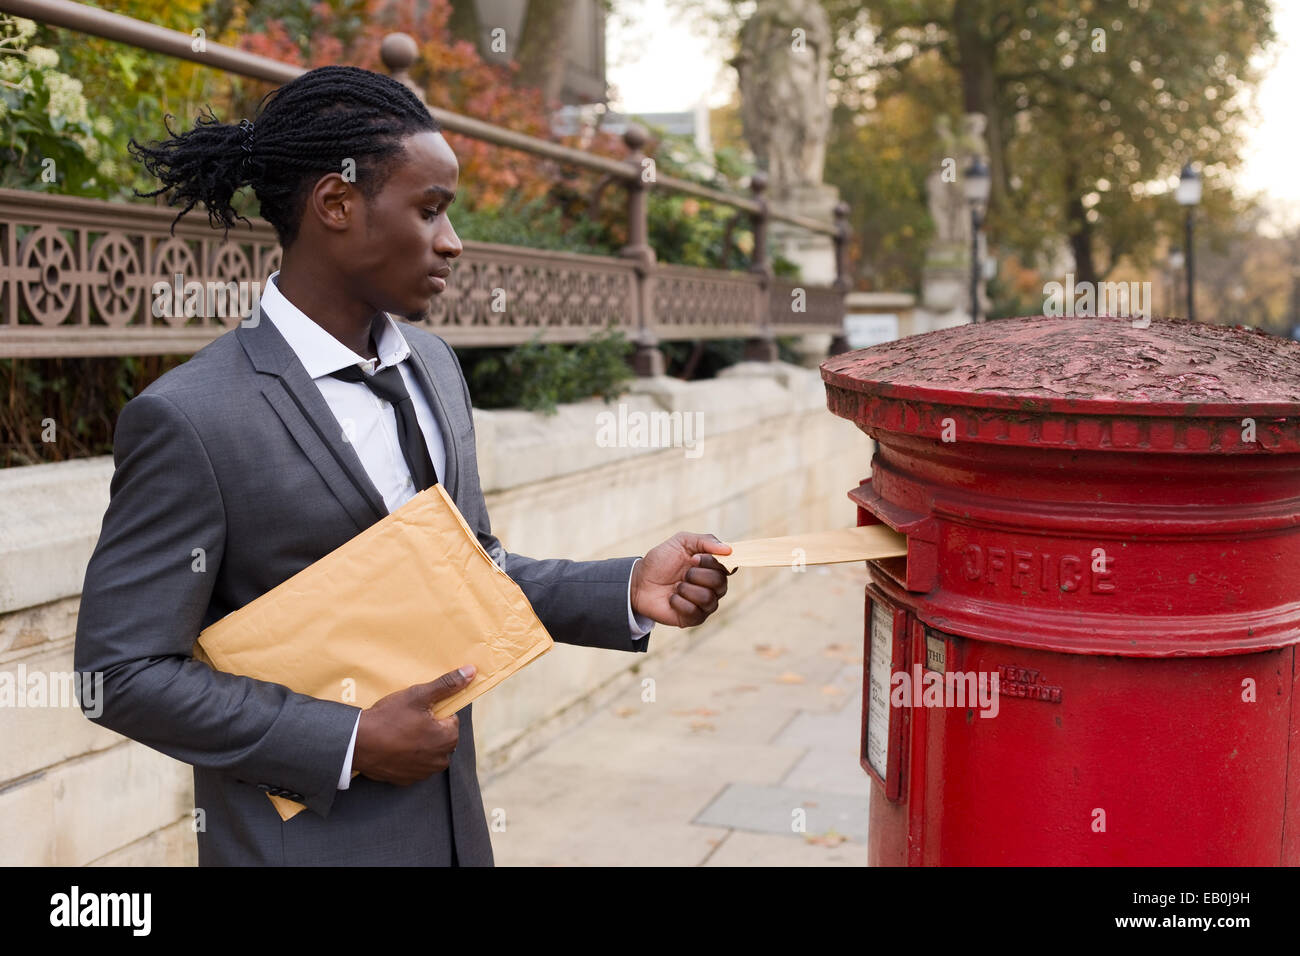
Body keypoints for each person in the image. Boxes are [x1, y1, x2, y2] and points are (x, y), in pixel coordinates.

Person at [73, 65, 733, 866]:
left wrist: (624, 588)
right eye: (430, 210)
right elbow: (121, 671)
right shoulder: (193, 418)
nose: (452, 241)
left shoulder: (433, 365)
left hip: (452, 833)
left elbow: (466, 570)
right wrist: (347, 741)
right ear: (337, 204)